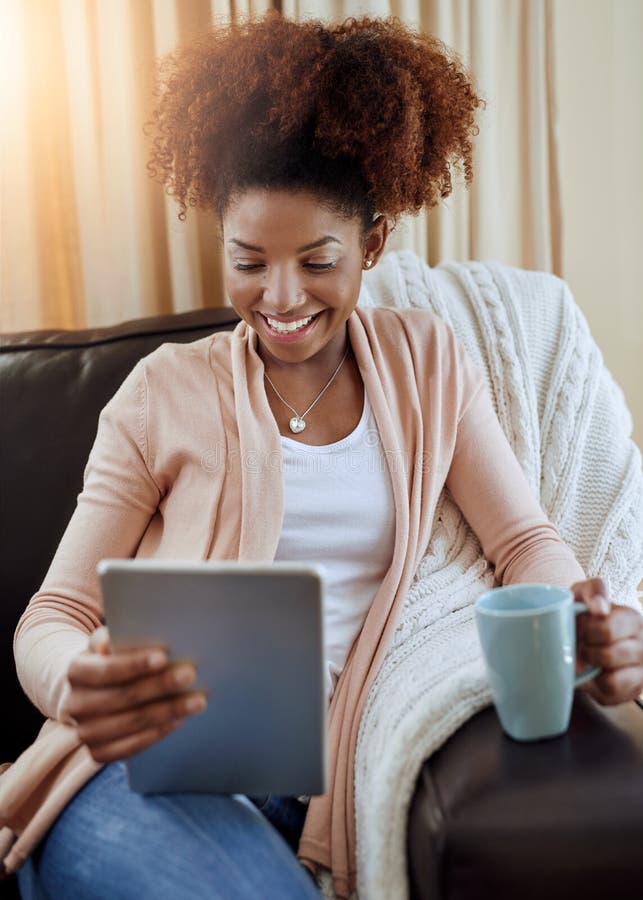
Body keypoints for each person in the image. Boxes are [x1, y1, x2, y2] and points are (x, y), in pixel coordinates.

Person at [10, 11, 643, 900]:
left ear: (373, 246)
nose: (279, 298)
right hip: (138, 777)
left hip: (316, 789)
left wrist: (580, 605)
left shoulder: (429, 362)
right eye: (248, 261)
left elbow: (523, 539)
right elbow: (52, 612)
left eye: (317, 261)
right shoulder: (162, 392)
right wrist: (77, 683)